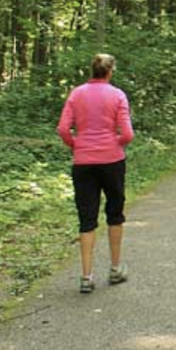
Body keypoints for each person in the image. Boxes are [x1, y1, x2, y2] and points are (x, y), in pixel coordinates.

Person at [57, 53, 134, 294]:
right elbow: (128, 134)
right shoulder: (117, 95)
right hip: (112, 160)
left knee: (87, 216)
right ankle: (114, 268)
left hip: (83, 162)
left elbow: (63, 129)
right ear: (110, 71)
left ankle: (86, 276)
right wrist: (115, 142)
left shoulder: (76, 93)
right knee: (114, 211)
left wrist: (77, 144)